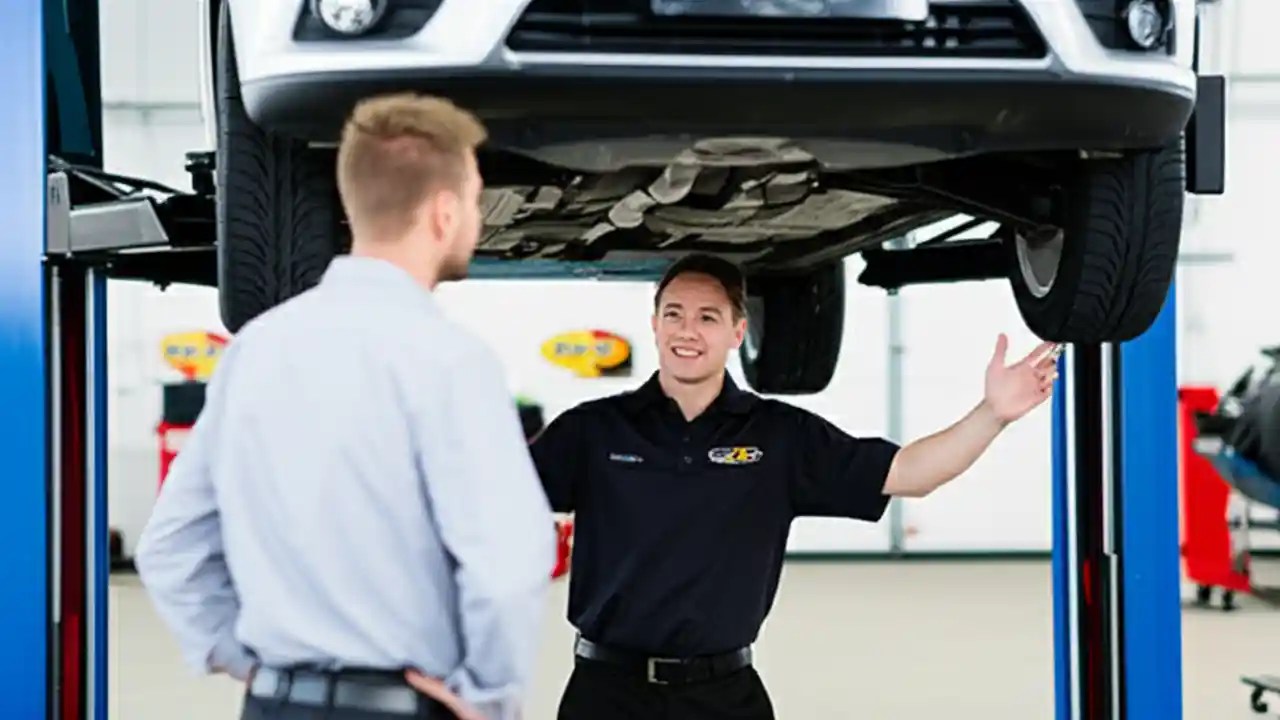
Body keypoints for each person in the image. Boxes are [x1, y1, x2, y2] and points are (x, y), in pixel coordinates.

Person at [135, 93, 556, 720]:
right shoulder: (448, 360)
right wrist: (488, 700)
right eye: (472, 201)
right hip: (397, 709)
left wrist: (250, 662)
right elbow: (506, 568)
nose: (477, 218)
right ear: (443, 213)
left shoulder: (256, 351)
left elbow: (170, 547)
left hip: (275, 704)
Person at [528, 253, 1061, 720]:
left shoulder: (779, 435)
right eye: (674, 315)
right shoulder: (592, 429)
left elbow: (909, 473)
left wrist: (992, 414)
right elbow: (497, 495)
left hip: (724, 697)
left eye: (707, 317)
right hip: (606, 695)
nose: (687, 331)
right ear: (655, 324)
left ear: (739, 332)